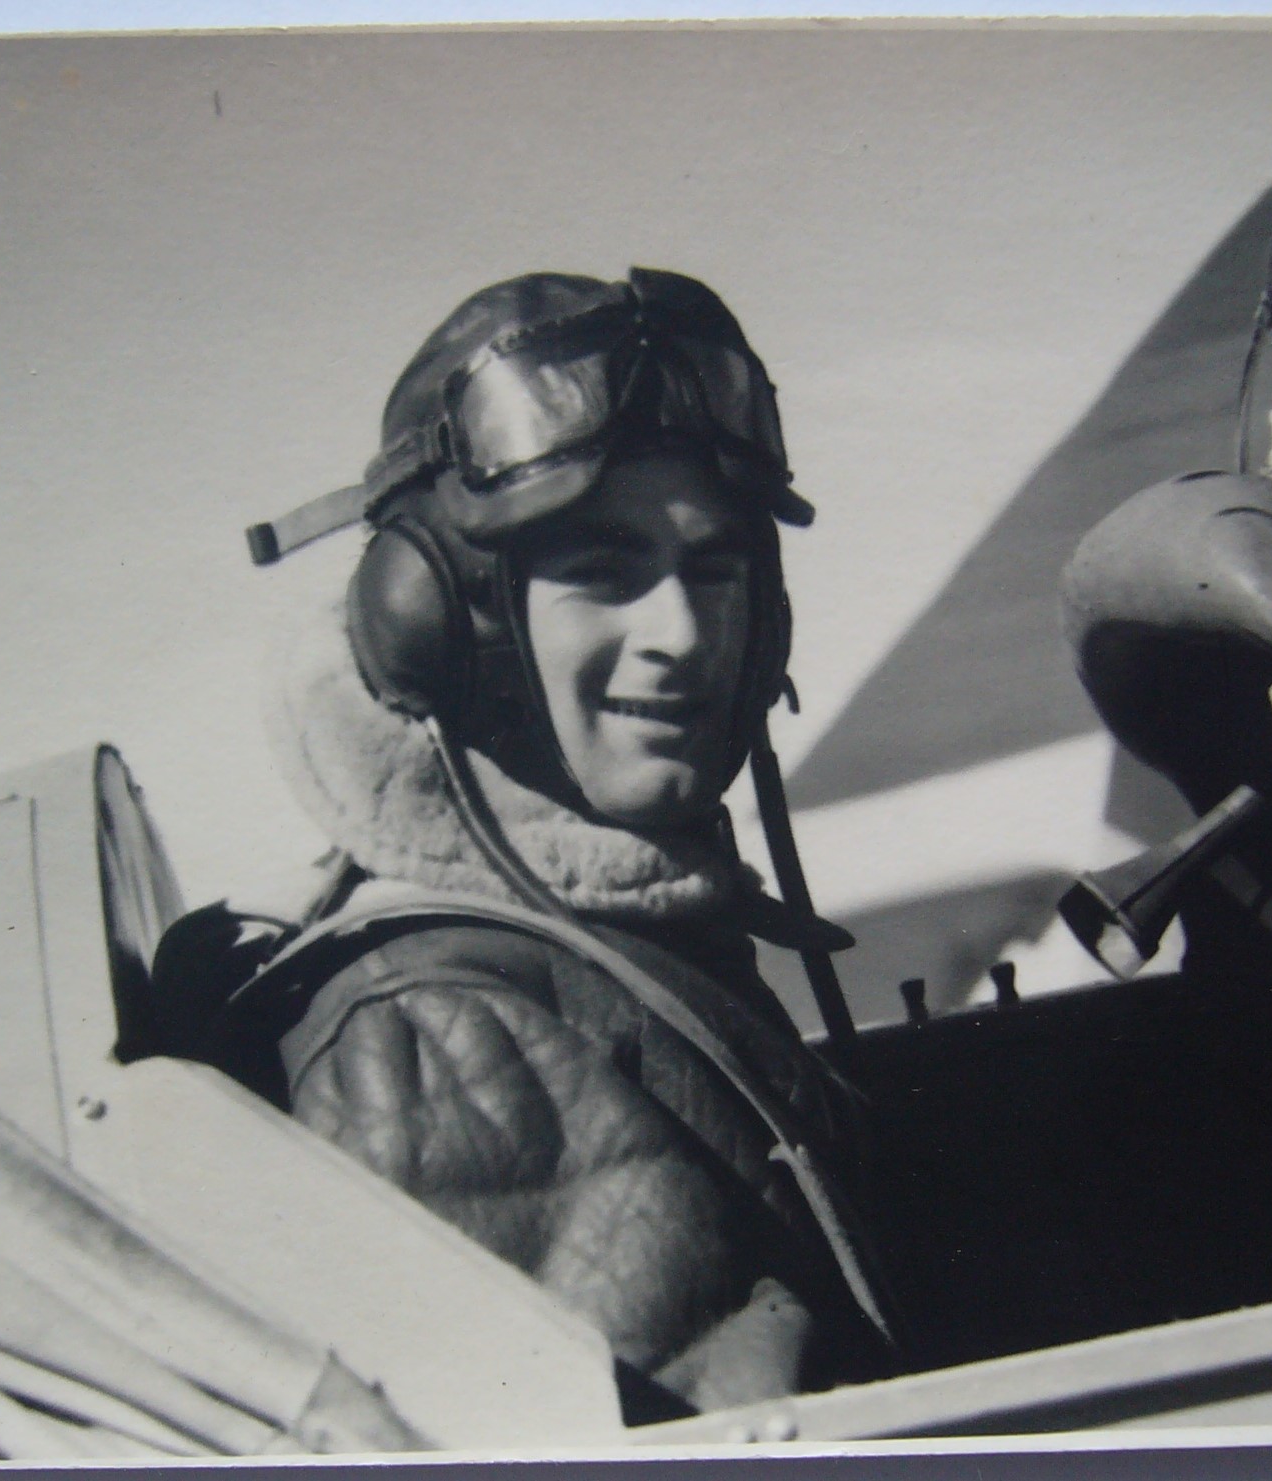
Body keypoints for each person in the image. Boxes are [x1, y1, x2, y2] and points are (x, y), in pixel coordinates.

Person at [166, 270, 898, 1419]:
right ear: (453, 637)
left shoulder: (615, 931)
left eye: (714, 570)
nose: (683, 635)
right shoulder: (436, 1041)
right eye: (602, 575)